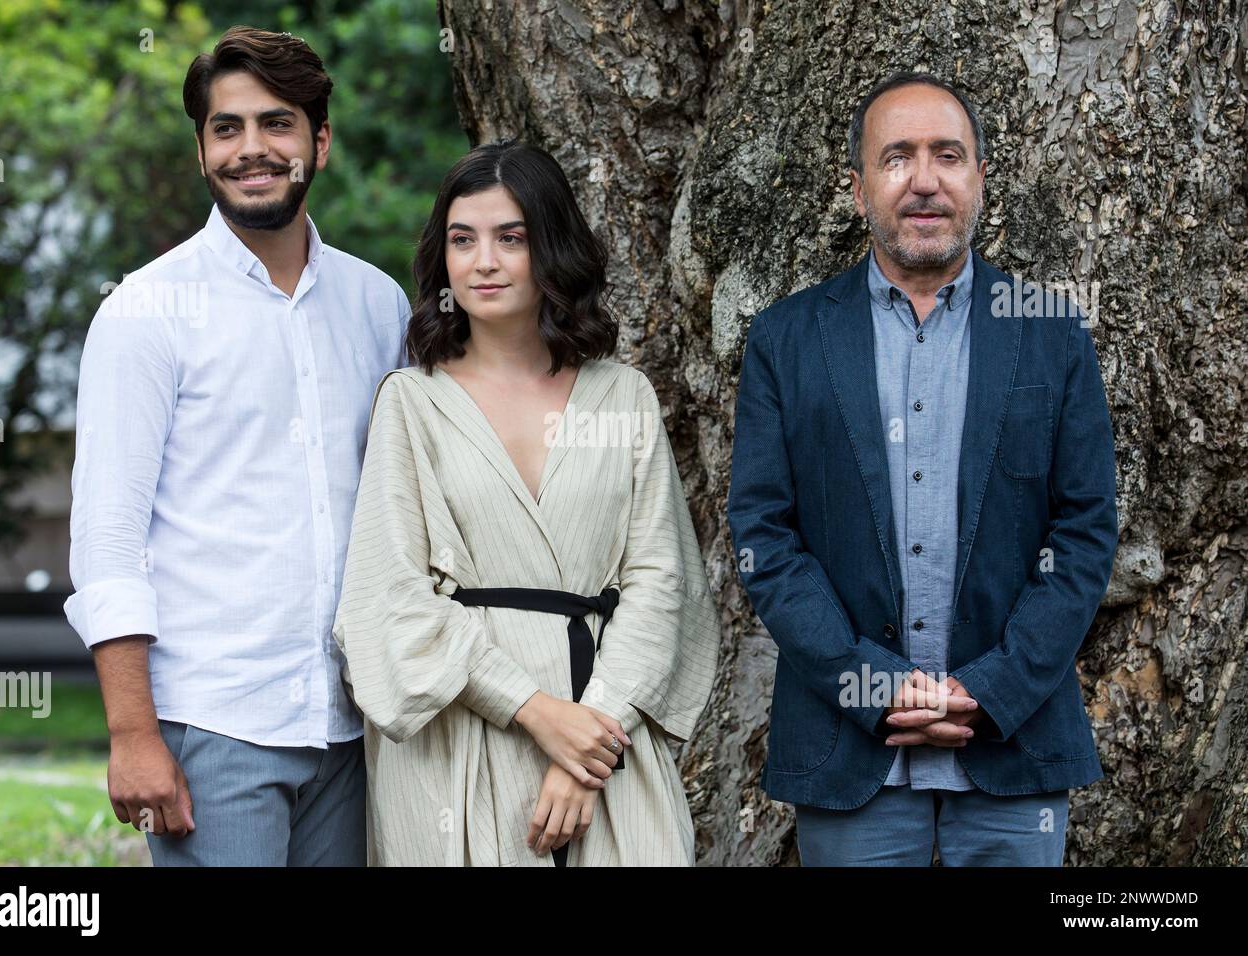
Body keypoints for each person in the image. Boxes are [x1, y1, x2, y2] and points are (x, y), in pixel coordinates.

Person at [728, 72, 1119, 866]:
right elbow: (764, 538)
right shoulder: (786, 340)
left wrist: (992, 690)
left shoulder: (1051, 332)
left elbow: (1084, 533)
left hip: (1014, 753)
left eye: (948, 156)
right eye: (897, 158)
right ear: (858, 187)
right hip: (850, 755)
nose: (925, 180)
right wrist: (871, 684)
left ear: (979, 180)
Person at [64, 26, 410, 866]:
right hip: (213, 724)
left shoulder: (379, 305)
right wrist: (133, 734)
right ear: (201, 150)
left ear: (318, 142)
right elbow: (108, 542)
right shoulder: (143, 312)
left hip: (355, 728)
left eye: (277, 124)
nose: (252, 148)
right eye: (227, 128)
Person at [332, 140, 719, 866]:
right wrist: (537, 714)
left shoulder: (622, 394)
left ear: (551, 248)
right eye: (462, 239)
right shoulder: (411, 403)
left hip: (607, 739)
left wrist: (589, 742)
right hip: (461, 739)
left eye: (511, 238)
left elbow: (662, 582)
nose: (483, 262)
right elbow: (387, 599)